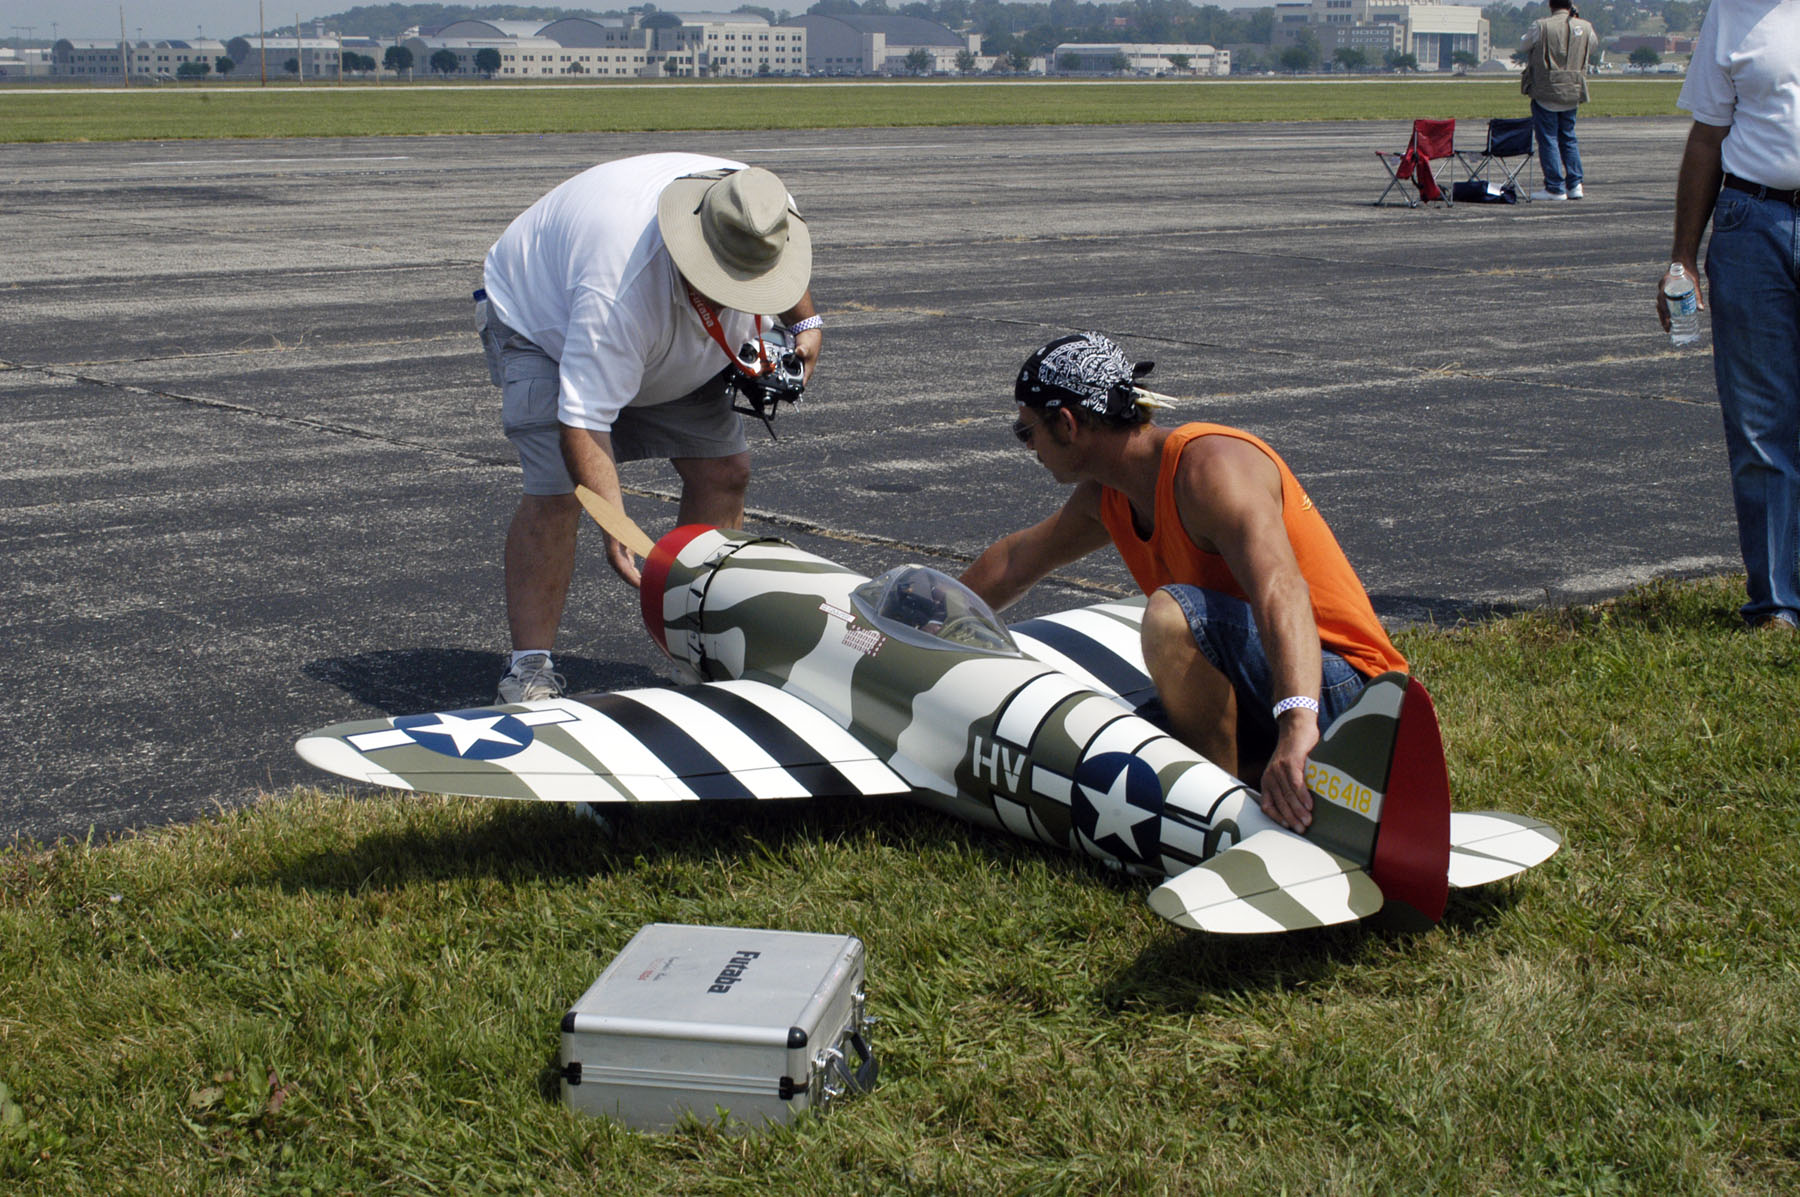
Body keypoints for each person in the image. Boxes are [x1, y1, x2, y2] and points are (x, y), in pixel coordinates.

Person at [959, 333, 1407, 834]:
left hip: (1354, 696)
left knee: (1172, 615)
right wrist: (928, 614)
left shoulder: (1212, 470)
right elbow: (1018, 560)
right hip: (1271, 688)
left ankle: (1221, 815)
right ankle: (1250, 784)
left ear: (1065, 423)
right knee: (1090, 751)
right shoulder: (1107, 497)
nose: (1029, 447)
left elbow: (1282, 587)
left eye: (1026, 432)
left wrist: (1298, 725)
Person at [478, 153, 822, 702]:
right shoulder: (616, 290)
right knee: (558, 490)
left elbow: (786, 270)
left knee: (725, 473)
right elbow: (584, 420)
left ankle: (699, 651)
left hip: (664, 339)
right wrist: (614, 521)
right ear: (692, 257)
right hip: (543, 325)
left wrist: (805, 324)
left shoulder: (763, 209)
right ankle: (528, 672)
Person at [1658, 0, 1800, 632]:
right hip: (1753, 223)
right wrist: (1683, 257)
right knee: (1761, 424)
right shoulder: (1733, 12)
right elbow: (1708, 135)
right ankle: (1775, 604)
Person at [1520, 0, 1597, 201]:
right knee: (1569, 137)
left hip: (1547, 89)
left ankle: (1554, 187)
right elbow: (1593, 46)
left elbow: (1524, 44)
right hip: (1573, 88)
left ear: (1550, 5)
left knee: (1548, 139)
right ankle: (1575, 184)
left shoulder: (1540, 26)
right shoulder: (1586, 27)